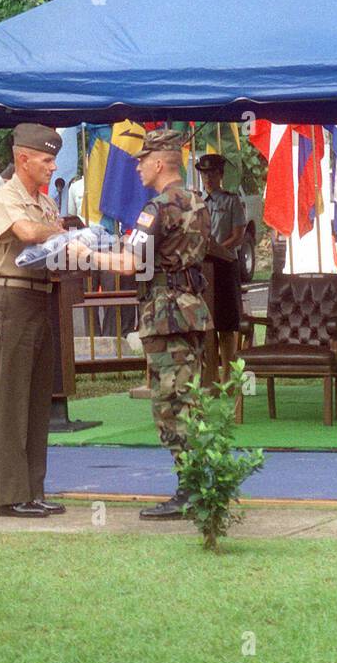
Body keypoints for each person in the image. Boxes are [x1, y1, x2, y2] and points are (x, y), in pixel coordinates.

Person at [78, 128, 211, 519]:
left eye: (141, 161)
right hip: (190, 310)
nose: (136, 167)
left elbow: (132, 263)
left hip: (165, 315)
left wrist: (86, 254)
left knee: (170, 404)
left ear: (158, 163)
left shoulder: (157, 207)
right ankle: (201, 483)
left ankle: (192, 490)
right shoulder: (196, 202)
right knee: (190, 398)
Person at [0, 123, 67, 517]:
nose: (52, 167)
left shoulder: (45, 202)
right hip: (12, 299)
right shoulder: (5, 197)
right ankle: (11, 495)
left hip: (41, 298)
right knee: (11, 400)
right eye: (47, 160)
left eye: (53, 159)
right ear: (23, 159)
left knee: (36, 401)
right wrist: (61, 231)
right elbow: (27, 231)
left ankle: (33, 489)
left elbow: (52, 239)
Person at [196, 152, 246, 378]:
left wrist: (217, 249)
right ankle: (209, 378)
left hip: (225, 267)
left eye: (213, 173)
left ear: (221, 175)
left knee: (226, 325)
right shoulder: (195, 202)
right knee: (207, 326)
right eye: (204, 174)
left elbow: (238, 235)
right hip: (203, 269)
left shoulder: (231, 200)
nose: (208, 178)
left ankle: (228, 376)